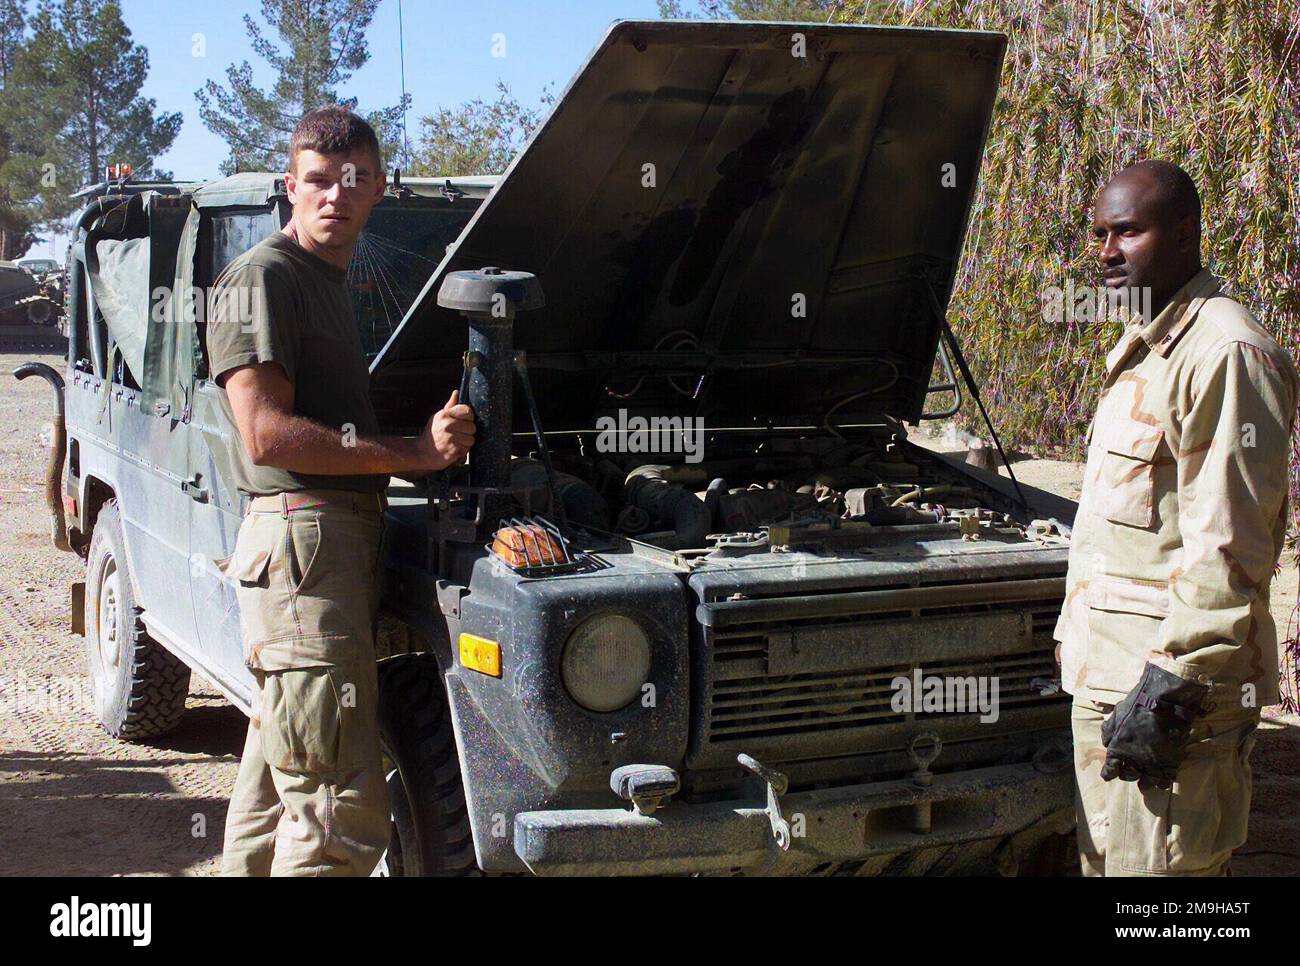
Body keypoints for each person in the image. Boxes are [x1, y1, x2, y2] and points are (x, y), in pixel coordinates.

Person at [208, 106, 476, 875]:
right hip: (304, 543)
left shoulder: (324, 281)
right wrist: (413, 452)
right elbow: (266, 433)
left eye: (353, 181)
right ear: (290, 186)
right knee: (339, 812)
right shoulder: (262, 278)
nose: (336, 196)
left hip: (322, 545)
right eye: (319, 181)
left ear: (379, 188)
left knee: (275, 788)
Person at [1053, 159, 1298, 876]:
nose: (1105, 252)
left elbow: (1231, 544)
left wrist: (1168, 688)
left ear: (1185, 234)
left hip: (1169, 701)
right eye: (1098, 233)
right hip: (1113, 684)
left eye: (1127, 231)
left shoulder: (1223, 352)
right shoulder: (1150, 347)